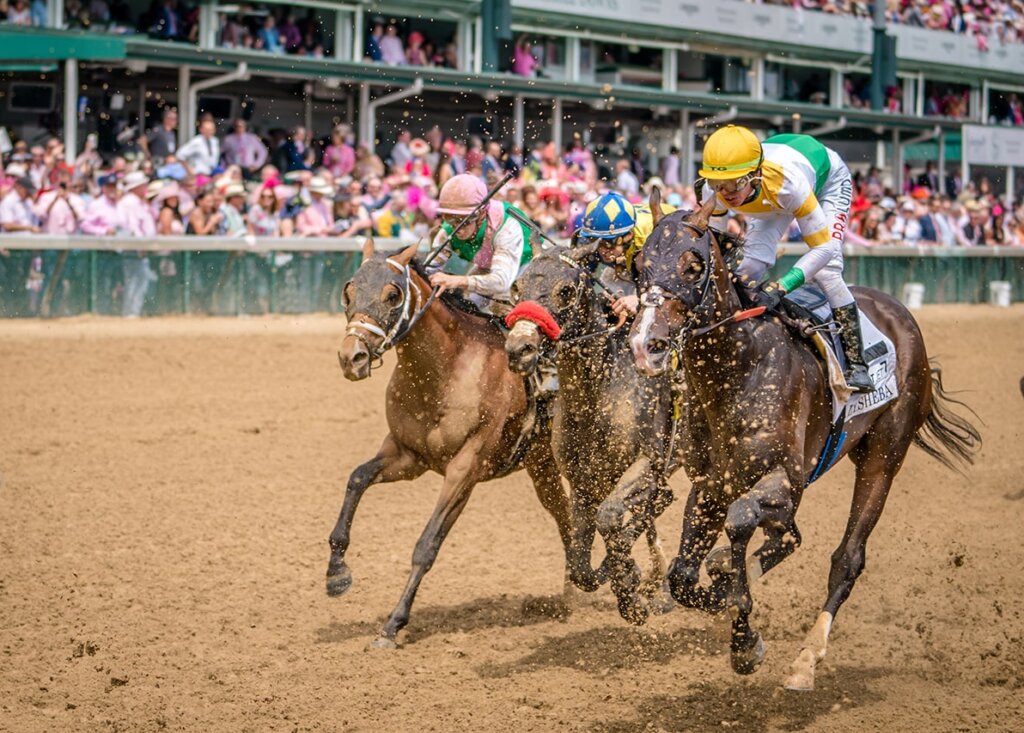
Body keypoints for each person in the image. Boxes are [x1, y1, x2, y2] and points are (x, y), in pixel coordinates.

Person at [697, 124, 873, 392]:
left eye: (734, 183)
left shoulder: (788, 185)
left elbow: (822, 249)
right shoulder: (712, 193)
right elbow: (717, 251)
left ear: (754, 174)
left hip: (827, 183)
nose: (726, 193)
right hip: (771, 194)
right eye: (717, 184)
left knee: (828, 271)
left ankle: (856, 363)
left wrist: (781, 287)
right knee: (747, 269)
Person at [426, 174, 534, 310]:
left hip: (526, 265)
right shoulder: (447, 232)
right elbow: (428, 270)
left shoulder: (507, 227)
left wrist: (457, 280)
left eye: (462, 221)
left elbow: (501, 282)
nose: (456, 229)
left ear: (481, 214)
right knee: (465, 306)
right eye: (449, 219)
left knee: (500, 305)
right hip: (489, 265)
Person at [575, 190, 675, 318]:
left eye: (608, 243)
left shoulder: (655, 238)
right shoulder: (593, 236)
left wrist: (638, 299)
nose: (602, 250)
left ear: (628, 236)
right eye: (595, 241)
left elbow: (673, 286)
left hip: (673, 243)